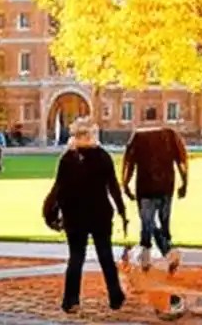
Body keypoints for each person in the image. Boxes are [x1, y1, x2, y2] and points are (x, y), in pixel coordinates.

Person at [42, 117, 127, 315]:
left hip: (74, 215)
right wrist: (122, 211)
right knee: (105, 256)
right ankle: (115, 297)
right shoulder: (102, 156)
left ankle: (70, 300)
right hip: (100, 214)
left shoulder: (67, 158)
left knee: (76, 258)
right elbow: (113, 187)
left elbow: (59, 189)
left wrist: (52, 213)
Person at [121, 124, 188, 273]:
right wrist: (184, 182)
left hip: (145, 187)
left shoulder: (138, 136)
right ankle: (158, 254)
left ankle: (159, 253)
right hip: (166, 186)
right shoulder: (170, 135)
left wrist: (125, 183)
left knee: (148, 222)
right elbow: (181, 161)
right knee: (163, 223)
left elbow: (129, 162)